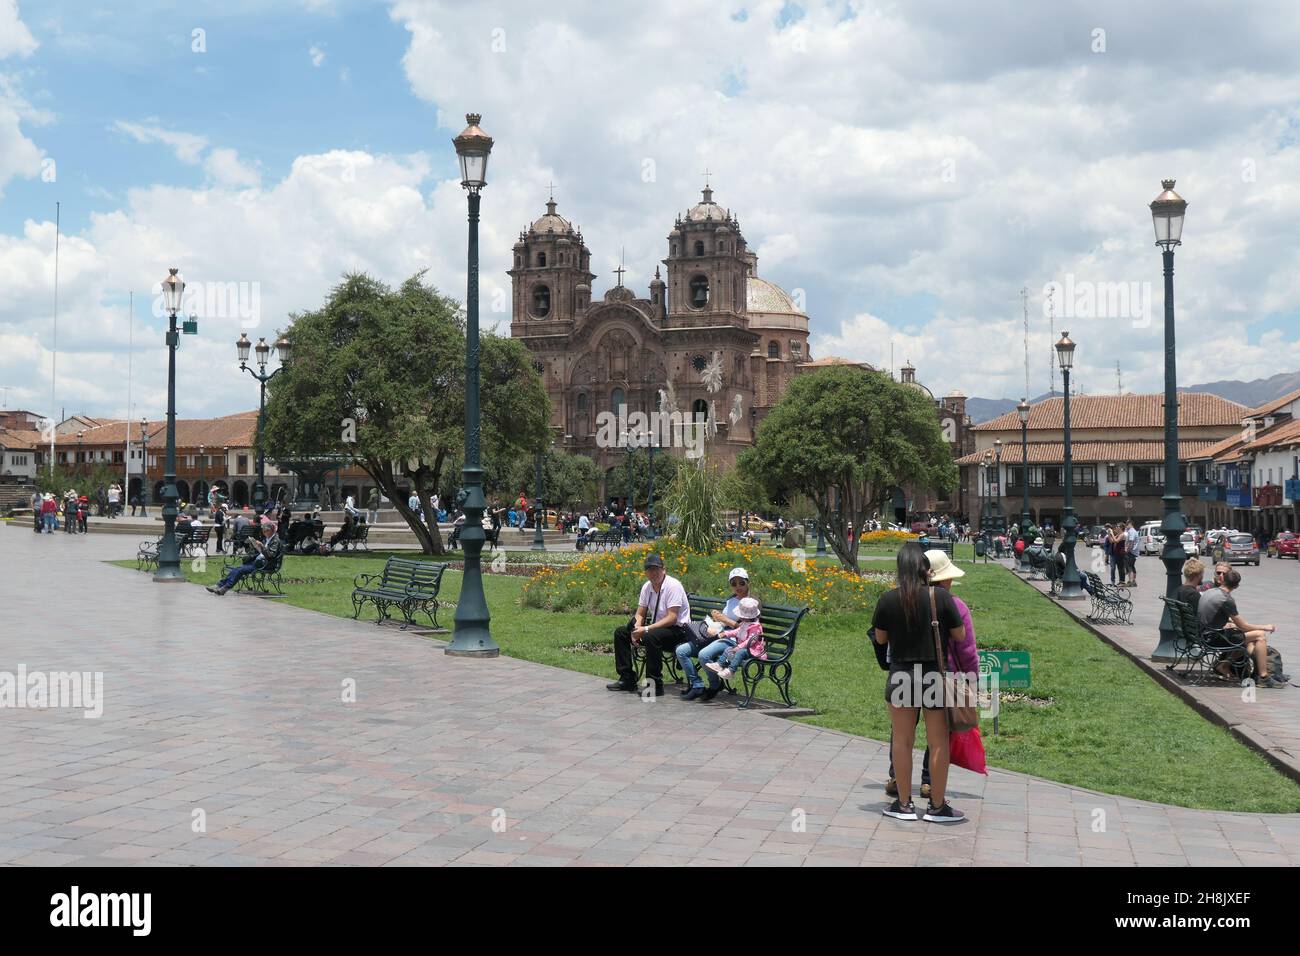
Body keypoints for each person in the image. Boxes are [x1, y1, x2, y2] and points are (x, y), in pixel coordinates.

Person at [872, 544, 967, 823]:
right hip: (933, 674)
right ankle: (937, 807)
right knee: (938, 743)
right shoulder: (940, 597)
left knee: (902, 741)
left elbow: (880, 639)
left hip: (901, 675)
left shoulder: (888, 599)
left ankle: (903, 805)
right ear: (926, 569)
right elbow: (960, 635)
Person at [608, 553, 692, 697]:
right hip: (658, 628)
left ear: (664, 570)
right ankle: (627, 678)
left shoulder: (673, 586)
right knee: (621, 633)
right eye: (650, 570)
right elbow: (640, 613)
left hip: (679, 631)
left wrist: (645, 629)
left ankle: (654, 685)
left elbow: (672, 618)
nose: (654, 573)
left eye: (657, 569)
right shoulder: (647, 587)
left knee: (651, 637)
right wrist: (636, 630)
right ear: (645, 572)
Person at [1197, 568, 1284, 687]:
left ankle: (1224, 665)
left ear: (1222, 580)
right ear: (1237, 586)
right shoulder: (1226, 599)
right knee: (1260, 636)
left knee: (1246, 640)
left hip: (1204, 634)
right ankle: (1263, 677)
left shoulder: (1210, 591)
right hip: (1213, 638)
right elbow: (1243, 625)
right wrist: (1265, 627)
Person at [676, 568, 752, 700]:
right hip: (719, 634)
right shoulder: (731, 600)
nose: (738, 586)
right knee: (681, 650)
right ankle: (697, 685)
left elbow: (748, 629)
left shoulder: (751, 602)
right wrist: (714, 624)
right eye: (733, 584)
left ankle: (714, 685)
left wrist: (725, 620)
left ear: (748, 583)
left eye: (741, 583)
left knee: (704, 655)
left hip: (734, 640)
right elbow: (723, 622)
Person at [208, 518, 284, 596]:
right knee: (237, 569)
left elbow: (270, 555)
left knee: (240, 570)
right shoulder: (267, 539)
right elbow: (261, 552)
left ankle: (225, 588)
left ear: (272, 531)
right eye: (263, 531)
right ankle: (219, 585)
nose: (264, 533)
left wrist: (261, 546)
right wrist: (254, 545)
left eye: (266, 531)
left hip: (266, 564)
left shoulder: (275, 541)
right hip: (259, 562)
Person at [702, 597, 765, 682]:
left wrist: (739, 647)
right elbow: (737, 631)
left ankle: (731, 671)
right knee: (728, 649)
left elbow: (751, 641)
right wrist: (726, 634)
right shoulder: (745, 623)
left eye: (742, 616)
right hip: (744, 647)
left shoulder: (755, 627)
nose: (740, 617)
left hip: (753, 650)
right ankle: (719, 665)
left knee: (740, 653)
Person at [1124, 519, 1139, 586]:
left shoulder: (1131, 531)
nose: (1126, 526)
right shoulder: (1132, 531)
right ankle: (1133, 581)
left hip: (1131, 552)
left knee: (1130, 566)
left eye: (1127, 524)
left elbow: (1131, 541)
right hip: (1133, 551)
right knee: (1132, 566)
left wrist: (1127, 550)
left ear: (1130, 523)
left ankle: (1131, 581)